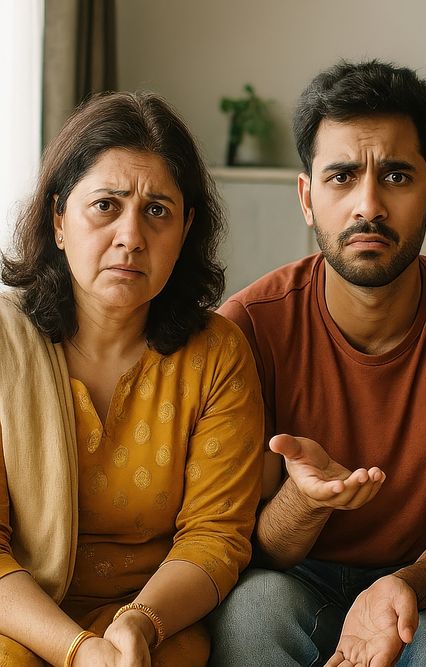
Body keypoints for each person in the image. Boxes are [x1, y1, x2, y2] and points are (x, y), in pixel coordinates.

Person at [207, 61, 426, 667]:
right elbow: (254, 550)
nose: (367, 205)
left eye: (397, 176)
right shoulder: (247, 328)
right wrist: (308, 501)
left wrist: (404, 585)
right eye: (342, 176)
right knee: (251, 614)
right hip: (299, 581)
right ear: (306, 198)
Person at [0, 91, 264, 666]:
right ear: (58, 218)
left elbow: (215, 535)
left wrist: (137, 626)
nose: (131, 236)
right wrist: (77, 650)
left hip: (152, 620)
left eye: (158, 211)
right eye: (105, 206)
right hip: (16, 616)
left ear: (186, 229)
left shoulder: (217, 355)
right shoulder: (3, 347)